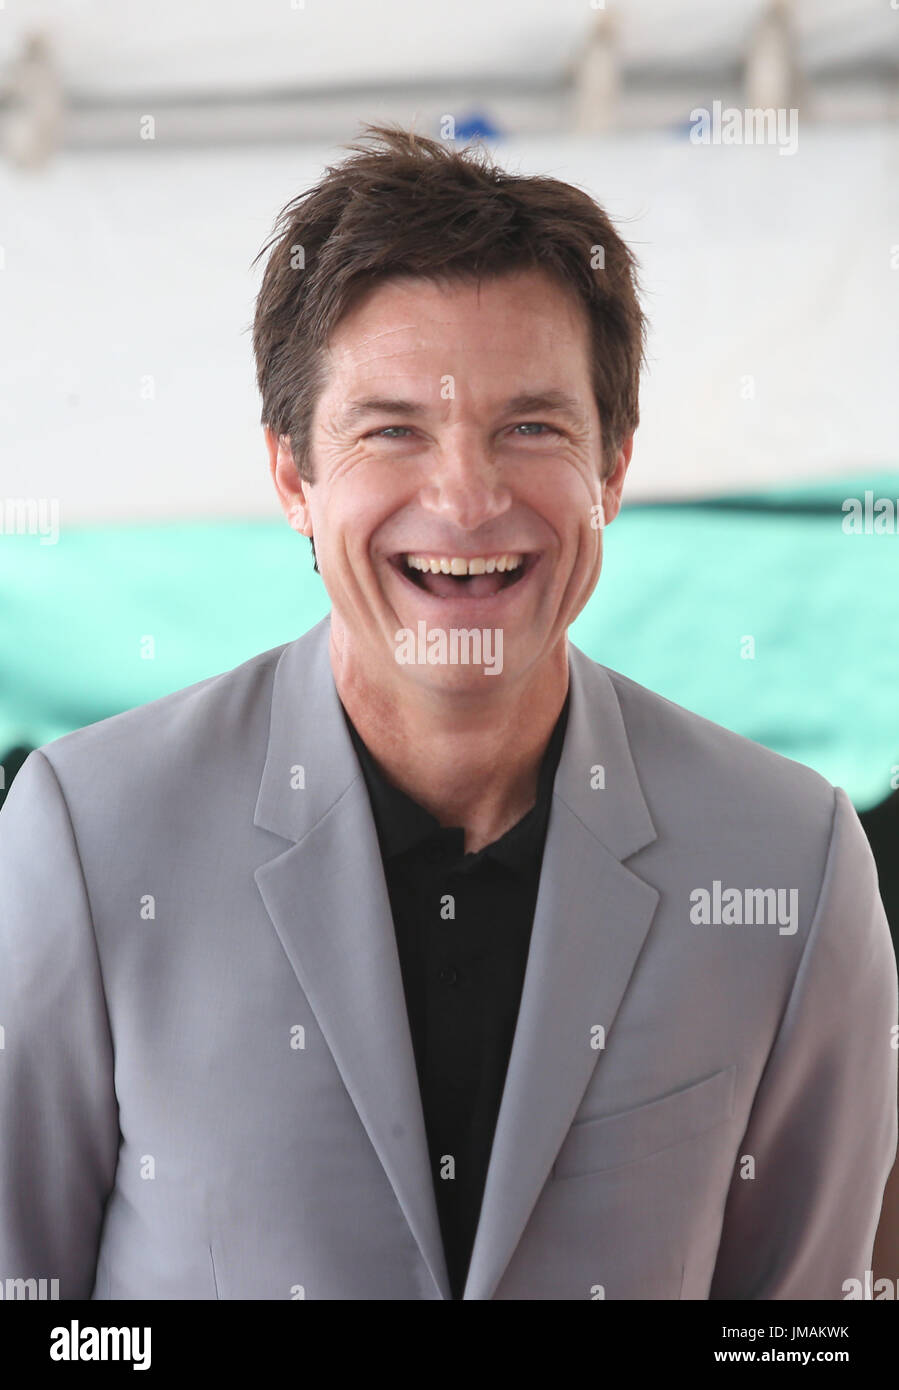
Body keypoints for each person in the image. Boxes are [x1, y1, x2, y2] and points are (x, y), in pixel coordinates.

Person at [0, 124, 895, 1301]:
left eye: (530, 426)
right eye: (391, 431)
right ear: (292, 481)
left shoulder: (791, 858)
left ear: (613, 467)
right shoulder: (87, 833)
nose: (466, 497)